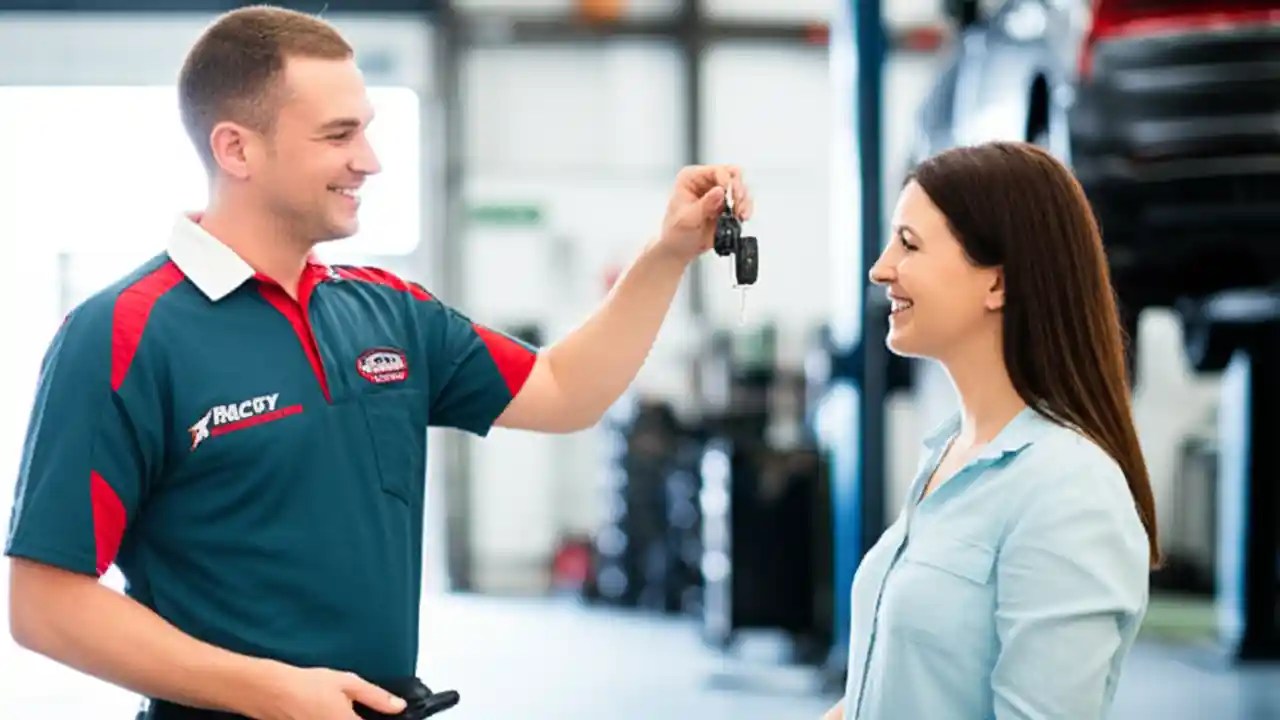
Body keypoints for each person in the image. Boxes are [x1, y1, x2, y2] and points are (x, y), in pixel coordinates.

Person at [4, 6, 752, 720]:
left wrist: (667, 254)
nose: (370, 160)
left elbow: (563, 391)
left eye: (366, 129)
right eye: (339, 135)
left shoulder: (387, 311)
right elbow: (44, 603)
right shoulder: (121, 334)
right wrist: (266, 692)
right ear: (236, 150)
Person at [823, 141, 1157, 720]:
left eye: (909, 244)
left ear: (997, 284)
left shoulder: (1069, 490)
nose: (880, 268)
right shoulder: (949, 454)